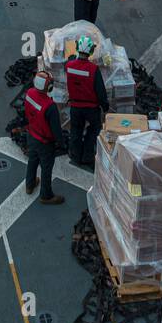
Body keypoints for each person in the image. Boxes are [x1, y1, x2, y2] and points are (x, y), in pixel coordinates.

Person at [65, 35, 110, 168]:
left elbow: (71, 61)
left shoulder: (69, 66)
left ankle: (75, 155)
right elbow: (100, 91)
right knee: (94, 129)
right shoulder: (93, 69)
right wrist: (105, 106)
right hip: (91, 108)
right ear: (90, 51)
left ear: (78, 48)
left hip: (75, 107)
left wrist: (72, 58)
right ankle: (87, 156)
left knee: (76, 131)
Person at [24, 66, 66, 203]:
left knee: (32, 160)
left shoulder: (29, 93)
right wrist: (61, 144)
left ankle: (29, 185)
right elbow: (56, 130)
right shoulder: (50, 106)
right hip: (44, 142)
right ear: (48, 87)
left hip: (31, 134)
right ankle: (46, 195)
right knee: (46, 168)